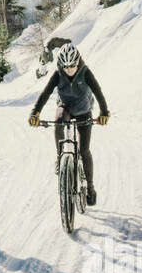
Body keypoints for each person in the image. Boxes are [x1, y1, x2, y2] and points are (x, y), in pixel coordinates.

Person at [28, 43, 110, 205]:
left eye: (72, 66)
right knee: (58, 121)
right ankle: (60, 158)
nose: (69, 70)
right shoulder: (58, 74)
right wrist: (35, 112)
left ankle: (90, 187)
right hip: (65, 107)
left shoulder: (85, 72)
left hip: (83, 111)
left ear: (77, 61)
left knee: (84, 150)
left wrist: (104, 112)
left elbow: (98, 91)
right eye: (65, 67)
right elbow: (46, 93)